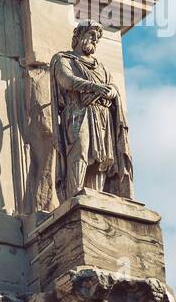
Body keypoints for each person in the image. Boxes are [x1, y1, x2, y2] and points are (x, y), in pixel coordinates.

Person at [51, 21, 134, 198]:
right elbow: (66, 80)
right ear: (79, 36)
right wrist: (95, 87)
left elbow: (112, 86)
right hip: (77, 112)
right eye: (91, 35)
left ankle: (96, 197)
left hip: (102, 114)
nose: (95, 40)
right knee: (80, 150)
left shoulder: (101, 67)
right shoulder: (63, 59)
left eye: (98, 38)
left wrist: (111, 91)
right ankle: (75, 195)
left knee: (101, 158)